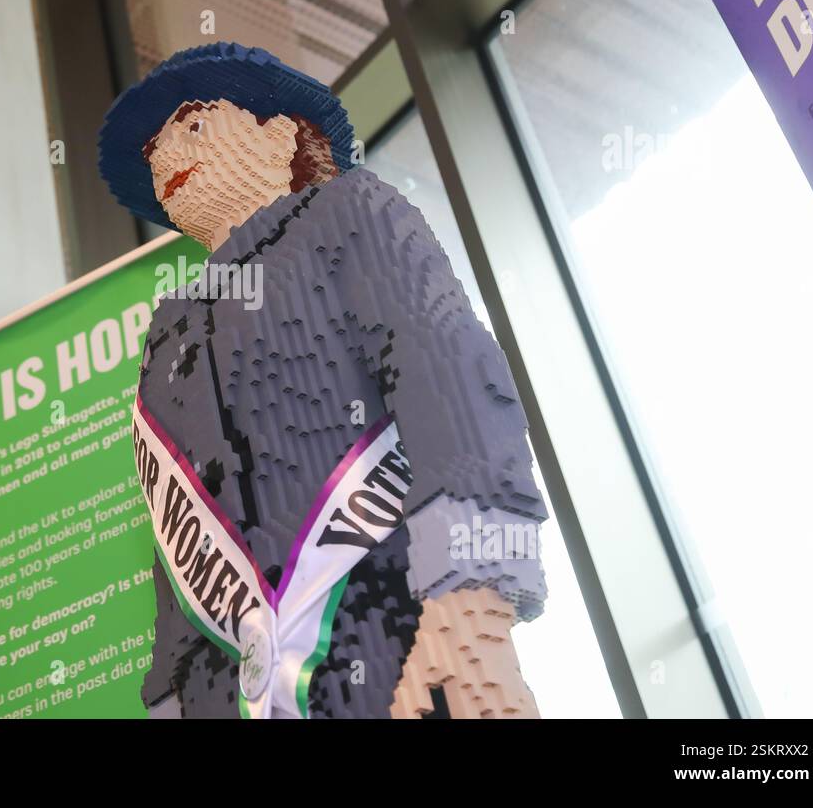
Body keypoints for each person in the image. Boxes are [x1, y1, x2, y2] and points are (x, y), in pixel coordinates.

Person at [99, 43, 546, 718]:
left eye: (192, 126)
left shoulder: (354, 213)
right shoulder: (164, 338)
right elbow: (175, 551)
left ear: (280, 137)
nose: (165, 156)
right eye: (154, 150)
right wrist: (172, 700)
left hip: (404, 648)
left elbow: (447, 373)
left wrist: (472, 607)